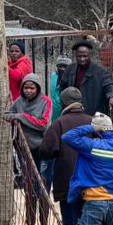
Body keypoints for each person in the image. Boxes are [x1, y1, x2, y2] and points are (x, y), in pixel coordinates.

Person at [39, 87, 93, 225]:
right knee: (87, 219)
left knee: (70, 221)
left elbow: (46, 151)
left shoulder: (59, 123)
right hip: (91, 181)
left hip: (67, 181)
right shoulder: (93, 122)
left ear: (63, 103)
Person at [58, 40, 113, 117]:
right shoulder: (70, 69)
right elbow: (63, 87)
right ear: (75, 56)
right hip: (73, 113)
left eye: (85, 56)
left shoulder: (100, 72)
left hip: (93, 115)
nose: (82, 59)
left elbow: (110, 85)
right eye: (79, 56)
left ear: (89, 55)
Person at [5, 74, 52, 171]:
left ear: (37, 88)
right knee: (25, 173)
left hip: (40, 146)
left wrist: (22, 117)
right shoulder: (20, 101)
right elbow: (6, 114)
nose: (28, 91)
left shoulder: (46, 102)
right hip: (23, 144)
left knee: (39, 174)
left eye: (32, 88)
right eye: (26, 88)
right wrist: (16, 116)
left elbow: (44, 124)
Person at [40, 55, 72, 191]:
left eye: (65, 66)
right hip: (54, 117)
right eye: (60, 66)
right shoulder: (53, 77)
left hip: (67, 118)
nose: (62, 69)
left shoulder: (72, 79)